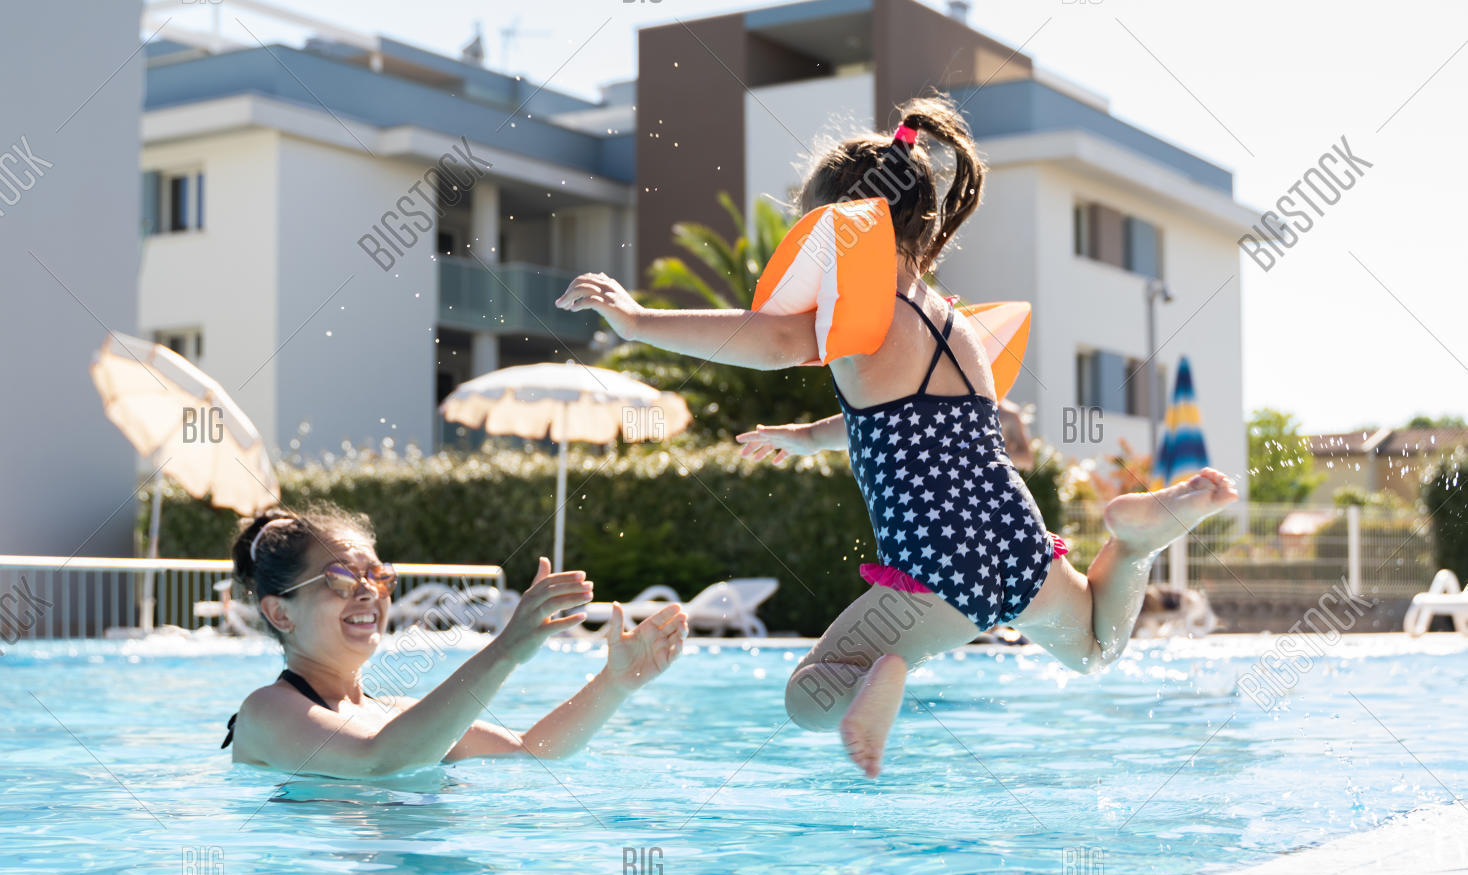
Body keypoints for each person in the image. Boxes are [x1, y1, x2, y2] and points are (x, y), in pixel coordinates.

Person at [555, 94, 1238, 777]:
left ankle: (877, 679)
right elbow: (907, 429)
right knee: (1094, 649)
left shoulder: (865, 315)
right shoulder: (954, 322)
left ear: (834, 229)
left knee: (809, 691)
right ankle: (1136, 539)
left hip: (938, 563)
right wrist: (810, 437)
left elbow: (773, 342)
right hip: (1015, 535)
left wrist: (641, 323)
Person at [222, 504, 687, 779]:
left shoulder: (400, 715)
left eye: (379, 576)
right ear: (280, 612)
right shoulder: (266, 711)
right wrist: (505, 650)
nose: (368, 591)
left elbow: (533, 753)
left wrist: (616, 684)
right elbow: (377, 761)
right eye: (340, 578)